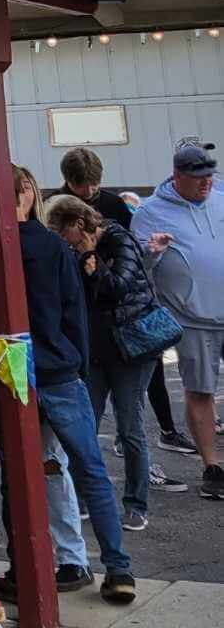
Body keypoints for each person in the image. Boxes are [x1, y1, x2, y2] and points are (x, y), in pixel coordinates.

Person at [0, 166, 137, 604]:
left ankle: (27, 565)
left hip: (11, 371)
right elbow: (75, 314)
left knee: (22, 474)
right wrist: (78, 366)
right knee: (86, 469)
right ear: (27, 194)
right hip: (59, 369)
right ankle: (117, 566)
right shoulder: (52, 247)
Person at [49, 194, 187, 529]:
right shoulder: (71, 252)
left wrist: (90, 260)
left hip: (132, 348)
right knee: (86, 426)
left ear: (78, 225)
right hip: (96, 349)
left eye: (60, 230)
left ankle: (136, 504)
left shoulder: (116, 239)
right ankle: (85, 498)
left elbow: (120, 287)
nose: (58, 238)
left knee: (130, 427)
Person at [58, 149, 196, 456]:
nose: (90, 192)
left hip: (126, 310)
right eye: (83, 186)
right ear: (68, 182)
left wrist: (146, 252)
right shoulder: (59, 207)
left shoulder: (112, 205)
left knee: (147, 377)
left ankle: (167, 429)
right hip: (89, 316)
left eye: (94, 184)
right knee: (94, 401)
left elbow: (131, 256)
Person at [131, 142, 224, 500]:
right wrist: (151, 252)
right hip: (192, 317)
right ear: (178, 176)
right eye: (199, 176)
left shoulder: (220, 198)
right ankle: (213, 468)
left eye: (210, 174)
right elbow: (139, 268)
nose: (206, 183)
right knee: (200, 390)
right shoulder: (150, 213)